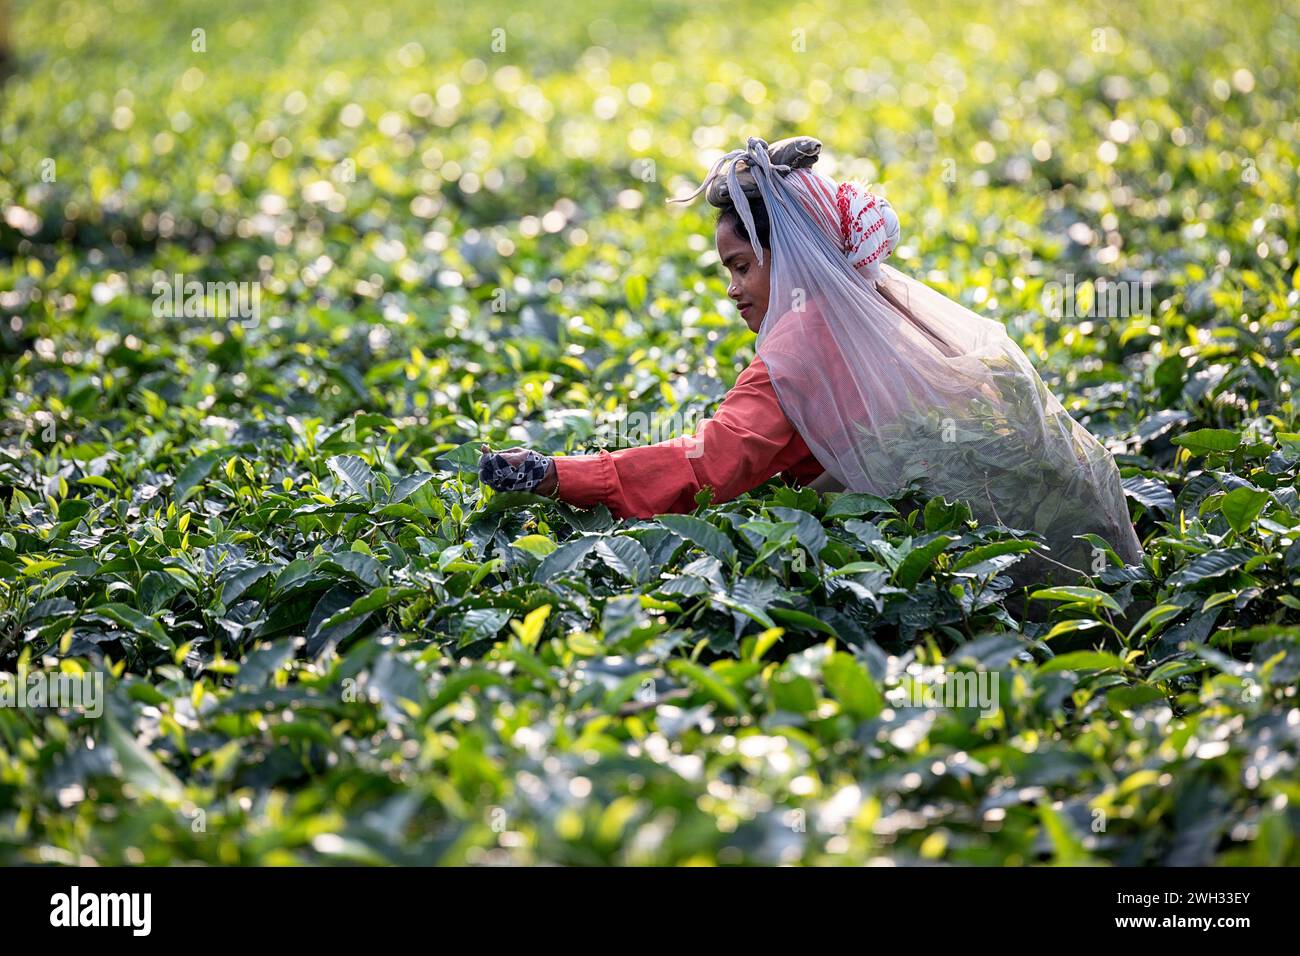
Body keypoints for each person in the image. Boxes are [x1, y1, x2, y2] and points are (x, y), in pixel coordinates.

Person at [479, 136, 1142, 580]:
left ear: (787, 256)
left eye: (741, 267)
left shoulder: (798, 348)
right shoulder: (879, 305)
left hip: (951, 563)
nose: (734, 289)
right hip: (1034, 541)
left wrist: (556, 473)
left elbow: (712, 463)